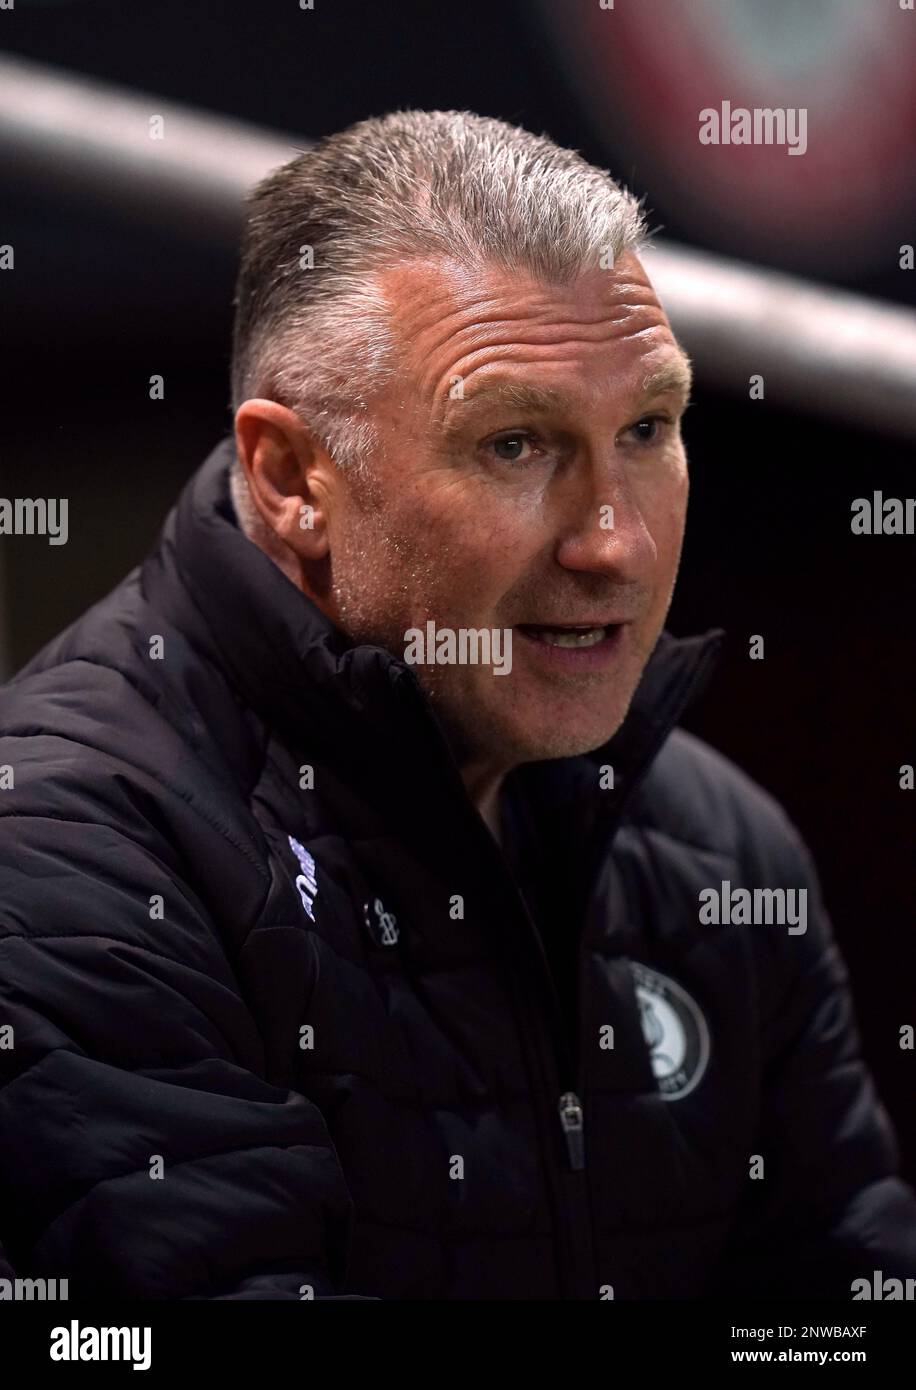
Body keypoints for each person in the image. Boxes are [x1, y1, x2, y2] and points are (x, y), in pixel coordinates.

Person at [0, 109, 913, 1301]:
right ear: (290, 479)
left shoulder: (715, 845)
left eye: (646, 428)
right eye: (517, 444)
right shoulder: (67, 864)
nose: (615, 541)